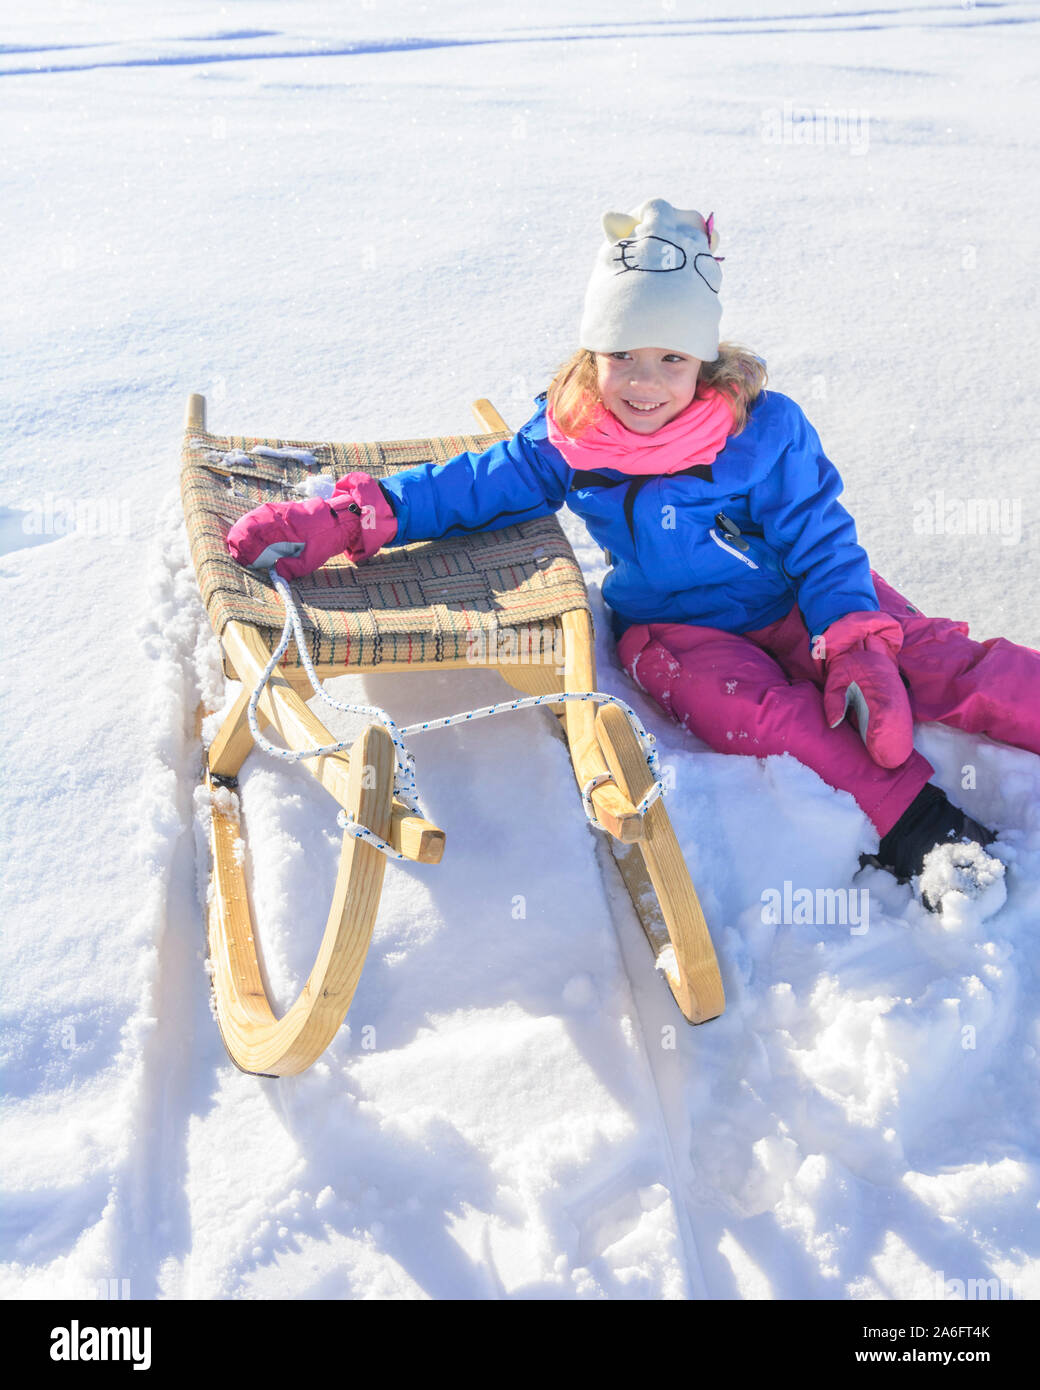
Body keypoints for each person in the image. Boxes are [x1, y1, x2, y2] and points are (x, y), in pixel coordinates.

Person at [226, 197, 1040, 911]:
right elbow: (471, 486)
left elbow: (822, 540)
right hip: (679, 629)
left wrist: (852, 639)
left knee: (935, 663)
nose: (643, 383)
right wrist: (353, 517)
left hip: (806, 598)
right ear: (593, 355)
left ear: (705, 360)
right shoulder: (575, 436)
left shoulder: (762, 431)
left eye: (671, 358)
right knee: (762, 715)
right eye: (623, 356)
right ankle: (918, 825)